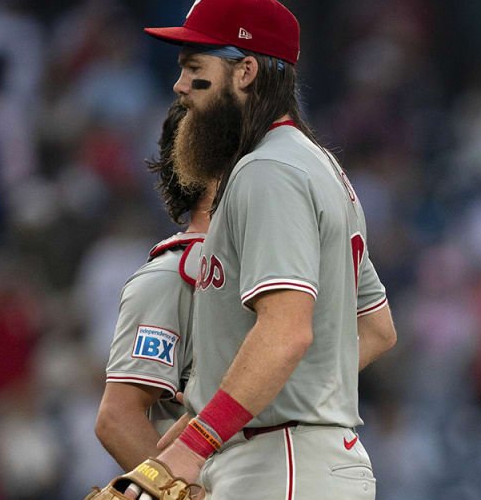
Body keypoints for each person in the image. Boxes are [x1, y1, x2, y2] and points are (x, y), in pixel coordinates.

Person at [113, 0, 388, 500]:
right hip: (254, 454)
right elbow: (372, 329)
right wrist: (253, 407)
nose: (178, 88)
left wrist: (190, 442)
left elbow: (288, 331)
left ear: (244, 73)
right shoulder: (313, 168)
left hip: (283, 463)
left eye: (194, 72)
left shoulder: (269, 171)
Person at [95, 99, 395, 471]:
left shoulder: (278, 265)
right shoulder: (171, 277)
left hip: (281, 476)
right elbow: (117, 417)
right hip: (227, 491)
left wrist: (263, 391)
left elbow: (379, 331)